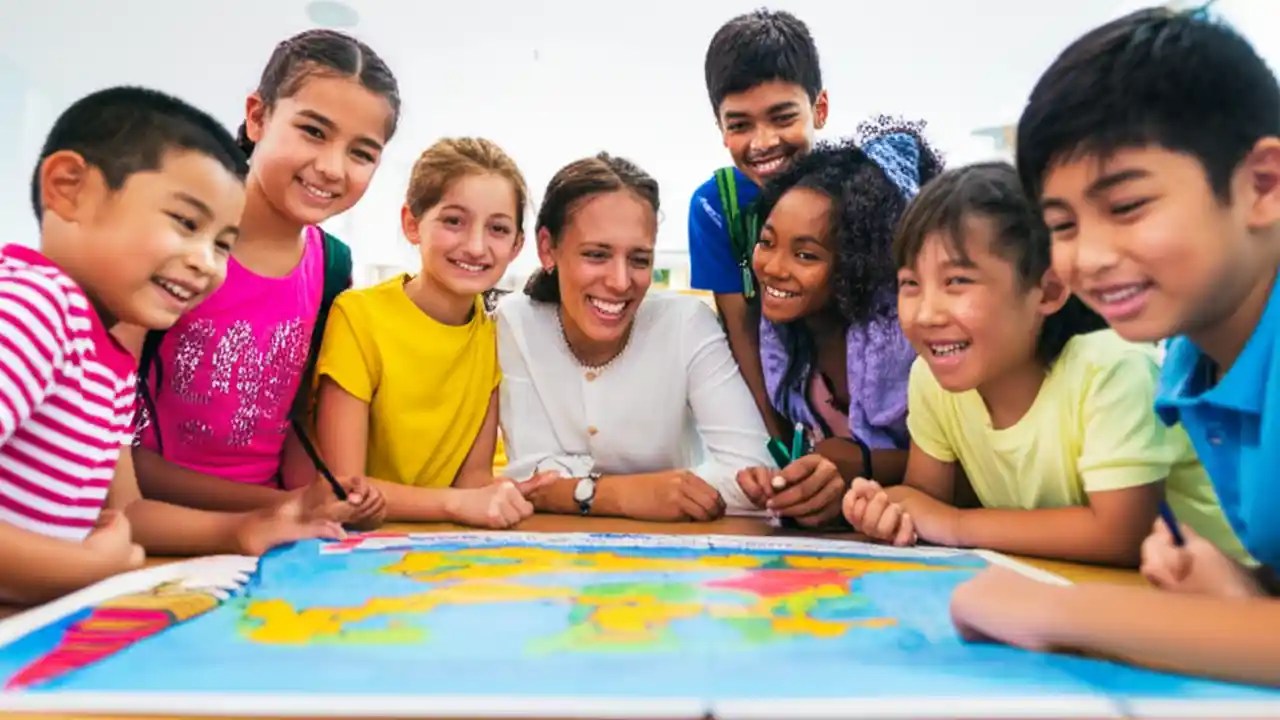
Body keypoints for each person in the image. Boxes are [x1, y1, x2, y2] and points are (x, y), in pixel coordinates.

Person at [947, 7, 1280, 686]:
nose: (1090, 256)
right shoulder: (1192, 361)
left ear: (1262, 185)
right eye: (1062, 224)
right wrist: (1247, 592)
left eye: (1127, 206)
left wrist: (1064, 612)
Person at [0, 86, 340, 604]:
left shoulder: (108, 362)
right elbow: (93, 551)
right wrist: (83, 568)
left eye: (223, 244)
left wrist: (240, 530)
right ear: (69, 189)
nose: (207, 262)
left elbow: (128, 512)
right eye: (185, 223)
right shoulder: (31, 308)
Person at [843, 162, 1247, 567]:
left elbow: (1121, 535)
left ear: (1049, 291)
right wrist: (890, 515)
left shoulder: (1114, 368)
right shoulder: (931, 378)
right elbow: (925, 503)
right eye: (910, 284)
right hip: (1088, 592)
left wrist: (954, 524)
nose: (926, 313)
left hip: (1228, 596)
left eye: (957, 282)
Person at [132, 29, 399, 526]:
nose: (331, 168)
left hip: (270, 535)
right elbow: (119, 455)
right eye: (313, 131)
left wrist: (327, 496)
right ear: (258, 117)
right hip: (155, 525)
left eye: (362, 153)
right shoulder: (176, 245)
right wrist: (281, 507)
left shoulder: (333, 268)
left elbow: (296, 418)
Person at [499, 153, 779, 521]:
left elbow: (753, 476)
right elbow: (530, 478)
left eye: (639, 260)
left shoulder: (686, 323)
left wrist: (572, 491)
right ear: (547, 248)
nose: (620, 282)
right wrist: (622, 495)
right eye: (597, 255)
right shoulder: (515, 322)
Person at [315, 138, 549, 528]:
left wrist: (503, 494)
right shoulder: (359, 317)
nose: (476, 246)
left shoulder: (495, 336)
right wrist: (455, 504)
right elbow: (343, 490)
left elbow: (473, 481)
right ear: (412, 223)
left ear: (516, 245)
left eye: (497, 228)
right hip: (356, 544)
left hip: (437, 547)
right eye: (453, 221)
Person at [735, 126, 936, 526]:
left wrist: (860, 464)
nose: (773, 268)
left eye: (806, 255)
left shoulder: (910, 345)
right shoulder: (783, 335)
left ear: (856, 263)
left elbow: (959, 470)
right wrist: (784, 482)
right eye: (767, 242)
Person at [688, 8, 829, 439]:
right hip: (788, 409)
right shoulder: (715, 208)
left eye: (783, 117)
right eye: (740, 125)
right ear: (719, 127)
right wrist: (777, 449)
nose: (763, 142)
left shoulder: (856, 195)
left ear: (819, 109)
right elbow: (743, 336)